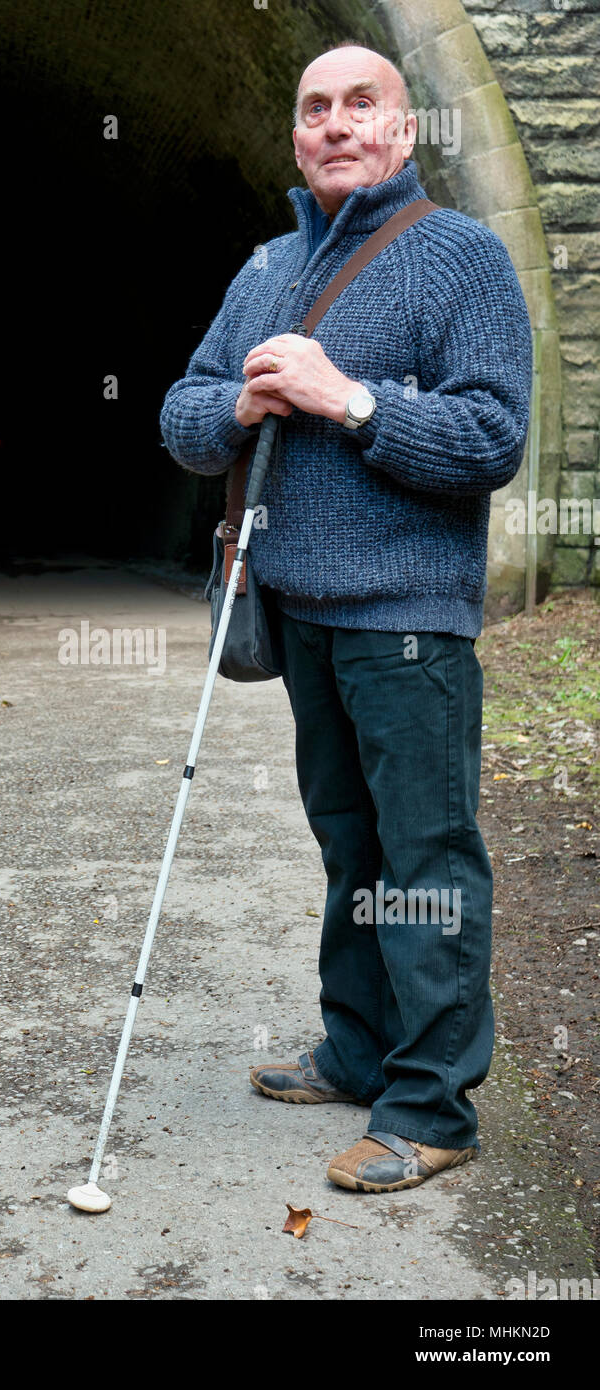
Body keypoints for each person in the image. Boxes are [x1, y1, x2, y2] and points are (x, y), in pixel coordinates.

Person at [159, 43, 533, 1193]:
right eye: (314, 108)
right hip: (302, 614)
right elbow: (180, 417)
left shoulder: (459, 258)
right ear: (296, 136)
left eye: (359, 105)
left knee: (425, 856)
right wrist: (243, 400)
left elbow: (491, 439)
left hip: (410, 619)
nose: (334, 124)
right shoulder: (266, 267)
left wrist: (351, 400)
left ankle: (430, 1106)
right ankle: (361, 1047)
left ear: (405, 129)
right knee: (350, 845)